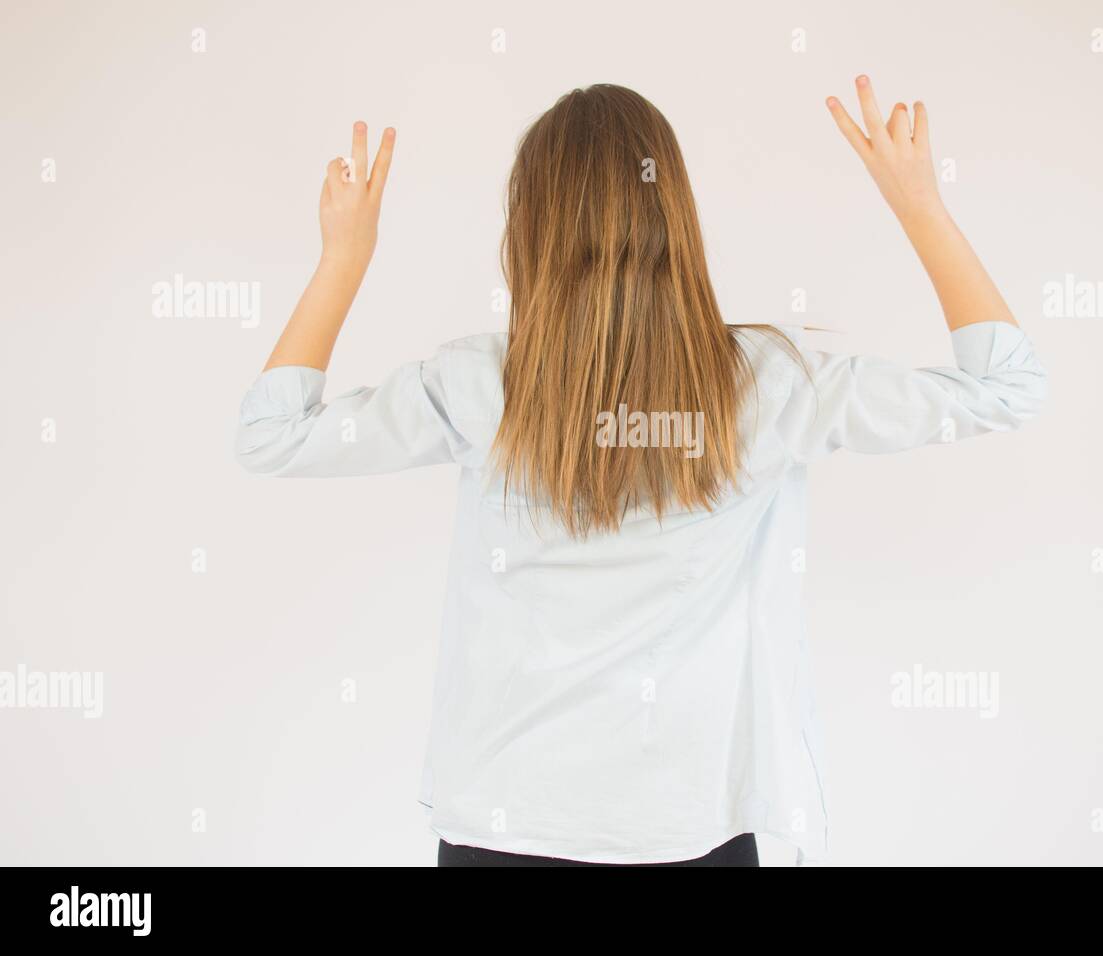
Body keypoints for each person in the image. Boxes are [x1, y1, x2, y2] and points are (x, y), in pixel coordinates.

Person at [235, 77, 1048, 867]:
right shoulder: (768, 383)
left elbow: (272, 435)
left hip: (501, 831)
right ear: (676, 217)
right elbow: (1007, 388)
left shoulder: (477, 385)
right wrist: (919, 202)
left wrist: (343, 258)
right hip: (694, 836)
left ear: (531, 231)